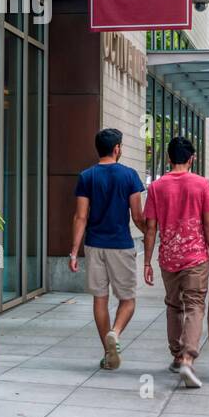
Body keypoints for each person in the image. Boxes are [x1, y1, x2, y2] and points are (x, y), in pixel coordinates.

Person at [142, 135, 209, 388]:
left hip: (168, 257)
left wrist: (146, 261)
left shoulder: (156, 187)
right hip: (196, 256)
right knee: (195, 305)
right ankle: (188, 358)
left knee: (174, 306)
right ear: (191, 159)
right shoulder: (201, 184)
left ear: (168, 158)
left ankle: (176, 355)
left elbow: (150, 227)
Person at [69, 127, 145, 370]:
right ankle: (116, 332)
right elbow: (137, 216)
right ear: (117, 149)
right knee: (128, 299)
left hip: (94, 245)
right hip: (121, 245)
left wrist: (73, 251)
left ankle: (108, 352)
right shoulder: (129, 175)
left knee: (99, 300)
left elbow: (80, 217)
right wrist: (152, 233)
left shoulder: (87, 176)